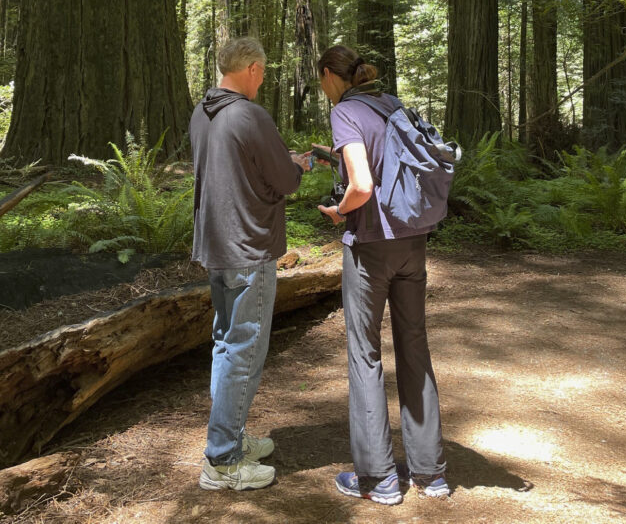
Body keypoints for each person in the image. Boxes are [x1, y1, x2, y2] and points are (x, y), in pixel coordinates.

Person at [315, 45, 449, 506]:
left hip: (371, 248)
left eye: (321, 81)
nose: (323, 90)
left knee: (364, 355)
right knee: (415, 346)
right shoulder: (392, 105)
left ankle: (378, 479)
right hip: (414, 241)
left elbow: (363, 185)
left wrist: (338, 210)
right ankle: (431, 473)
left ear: (331, 76)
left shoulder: (345, 113)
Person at [190, 37, 309, 491]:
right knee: (243, 352)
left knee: (226, 345)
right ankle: (222, 461)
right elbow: (282, 179)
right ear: (253, 70)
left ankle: (231, 437)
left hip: (216, 245)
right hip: (248, 249)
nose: (264, 79)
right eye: (264, 72)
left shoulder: (202, 112)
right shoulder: (250, 114)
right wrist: (297, 166)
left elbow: (232, 169)